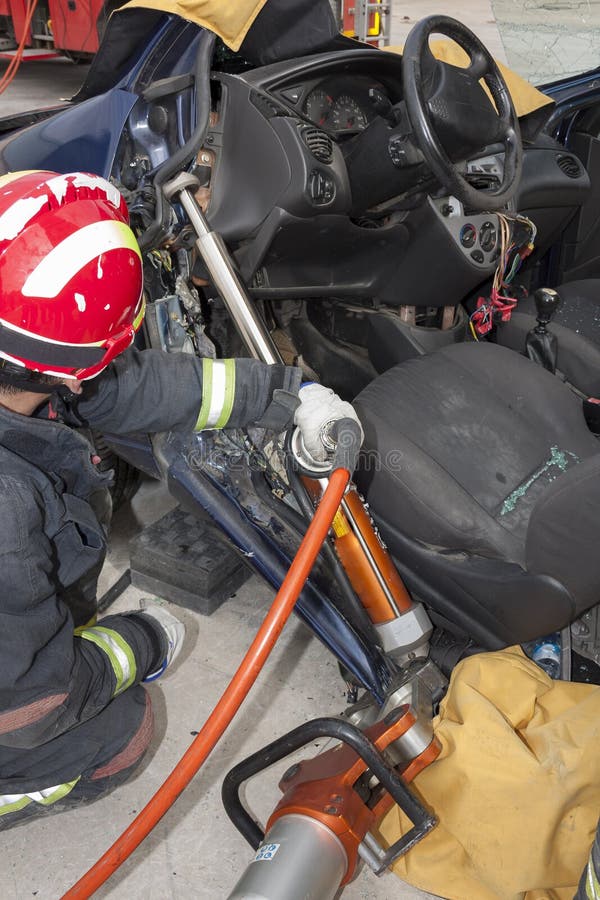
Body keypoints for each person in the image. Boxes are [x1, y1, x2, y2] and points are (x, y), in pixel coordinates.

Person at [0, 169, 359, 829]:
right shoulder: (6, 513)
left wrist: (287, 394)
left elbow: (133, 389)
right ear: (70, 369)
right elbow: (30, 708)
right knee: (122, 731)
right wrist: (137, 641)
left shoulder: (31, 369)